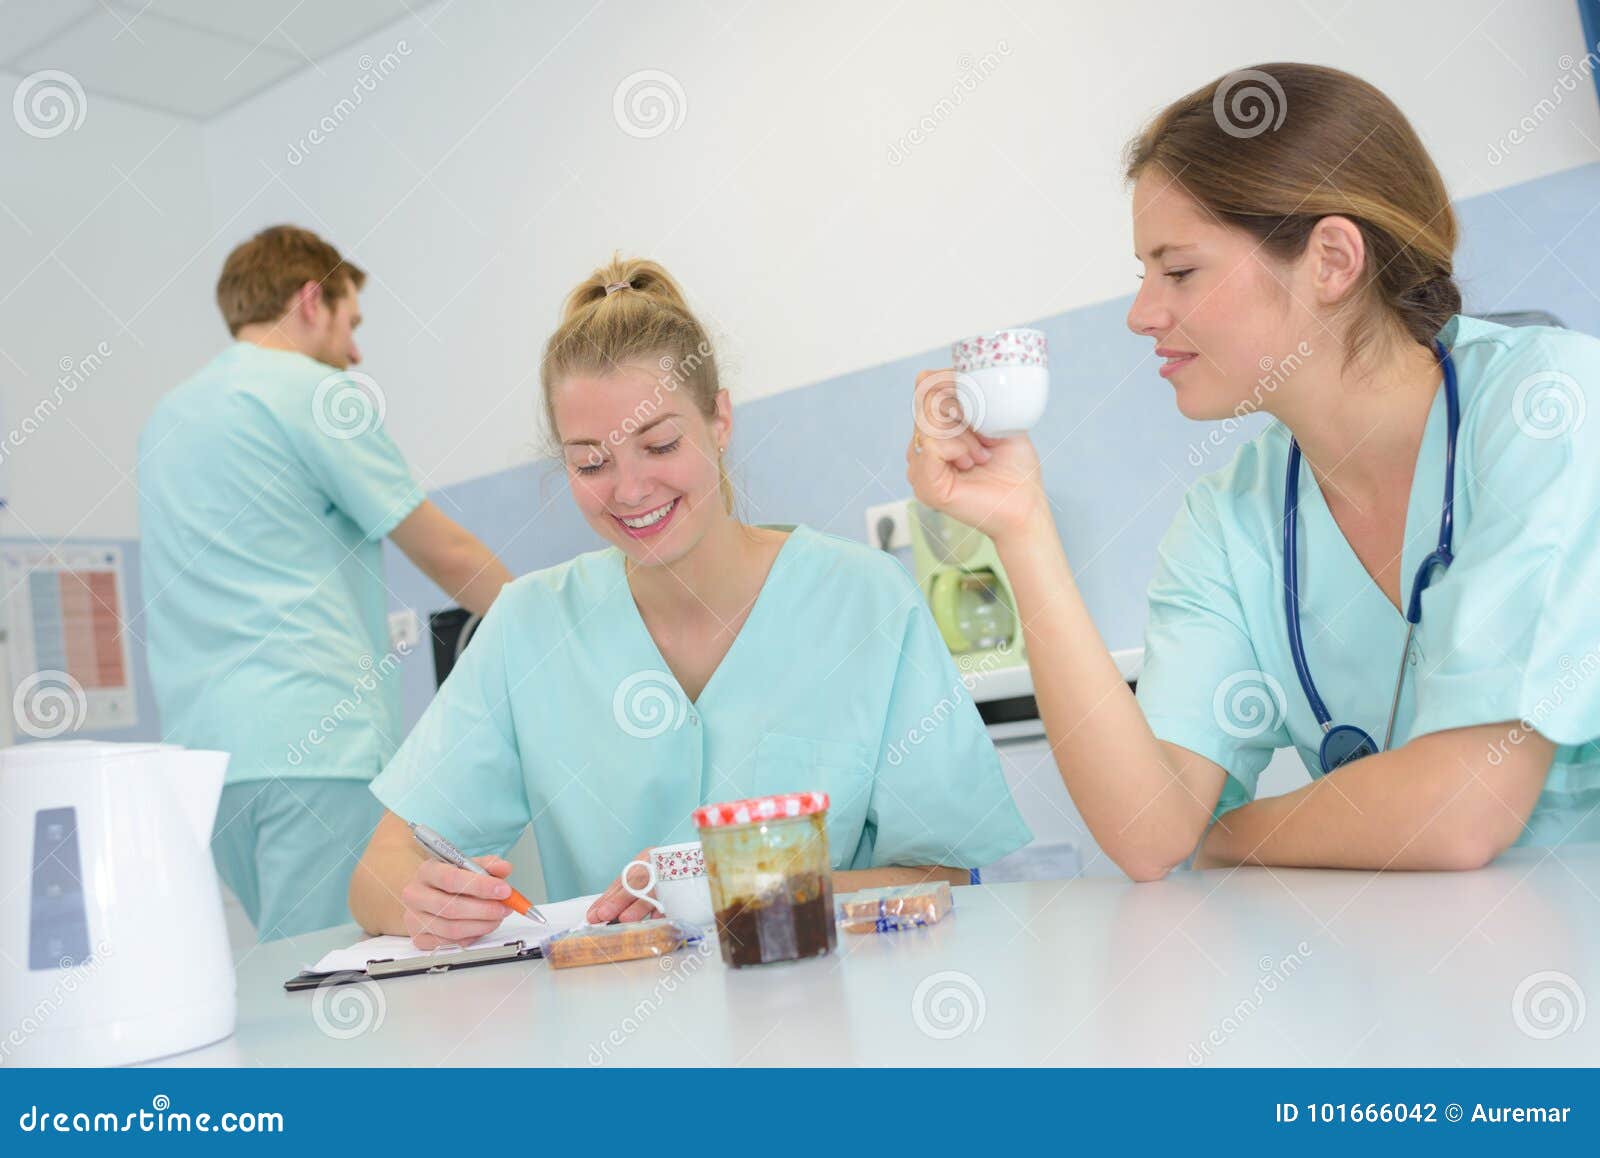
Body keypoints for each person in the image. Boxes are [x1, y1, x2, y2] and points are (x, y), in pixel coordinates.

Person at [907, 63, 1600, 880]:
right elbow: (1150, 833)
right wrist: (1022, 528)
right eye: (1143, 276)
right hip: (1413, 948)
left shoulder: (1549, 407)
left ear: (1332, 260)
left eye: (1178, 270)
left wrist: (1227, 838)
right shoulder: (1231, 517)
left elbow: (1462, 810)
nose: (1141, 314)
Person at [350, 257, 1030, 948]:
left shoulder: (865, 601)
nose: (629, 489)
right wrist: (423, 904)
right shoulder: (527, 627)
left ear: (720, 420)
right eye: (590, 462)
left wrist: (744, 886)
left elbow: (949, 876)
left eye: (660, 444)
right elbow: (378, 872)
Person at [139, 225, 514, 940]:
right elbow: (447, 553)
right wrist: (558, 627)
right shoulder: (312, 393)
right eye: (352, 322)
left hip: (207, 767)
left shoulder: (167, 418)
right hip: (314, 747)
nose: (356, 352)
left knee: (288, 963)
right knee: (332, 973)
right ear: (312, 300)